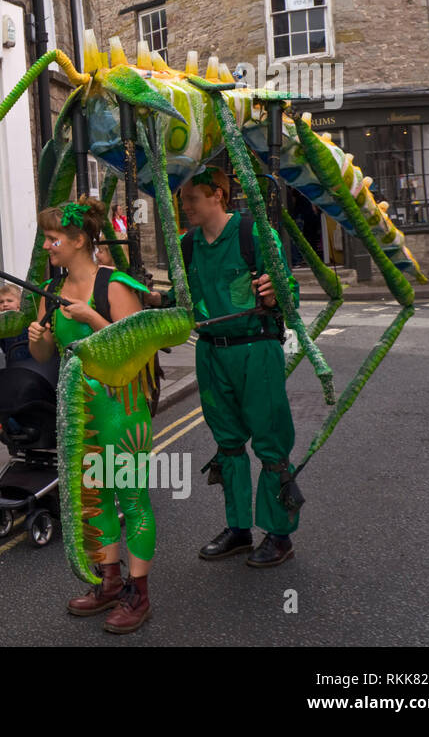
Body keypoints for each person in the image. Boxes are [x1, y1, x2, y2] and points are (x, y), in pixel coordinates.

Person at [146, 167, 300, 567]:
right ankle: (238, 529)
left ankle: (279, 534)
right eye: (183, 201)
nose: (186, 207)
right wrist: (155, 301)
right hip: (211, 352)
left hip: (256, 349)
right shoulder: (188, 246)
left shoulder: (254, 235)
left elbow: (290, 296)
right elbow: (183, 299)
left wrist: (273, 295)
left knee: (270, 443)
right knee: (228, 444)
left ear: (218, 194)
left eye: (192, 199)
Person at [29, 195, 155, 633]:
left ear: (79, 240)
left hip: (123, 406)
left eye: (53, 237)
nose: (47, 245)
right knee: (94, 498)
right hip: (79, 411)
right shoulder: (51, 292)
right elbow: (46, 353)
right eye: (46, 237)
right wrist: (36, 337)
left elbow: (138, 346)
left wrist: (92, 317)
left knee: (134, 499)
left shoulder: (114, 285)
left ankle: (138, 595)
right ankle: (109, 582)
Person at [0, 284, 32, 366]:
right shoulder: (1, 326)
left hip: (30, 364)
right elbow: (3, 345)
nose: (5, 304)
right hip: (12, 364)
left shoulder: (27, 320)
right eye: (1, 302)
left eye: (9, 301)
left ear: (19, 303)